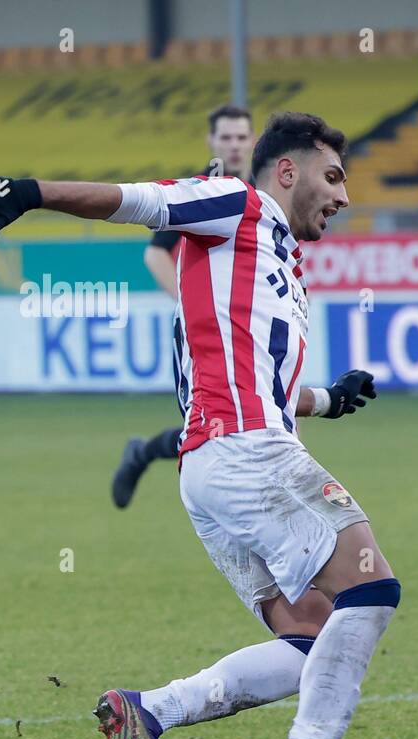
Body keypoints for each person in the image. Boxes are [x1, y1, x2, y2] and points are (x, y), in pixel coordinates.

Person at [0, 112, 400, 739]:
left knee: (312, 638)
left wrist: (328, 400)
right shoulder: (240, 206)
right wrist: (28, 190)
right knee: (373, 589)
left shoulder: (274, 262)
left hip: (211, 468)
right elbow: (142, 201)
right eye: (332, 177)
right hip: (248, 456)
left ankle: (148, 712)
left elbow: (263, 384)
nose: (342, 197)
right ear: (286, 171)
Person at [111, 104, 257, 507]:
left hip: (255, 325)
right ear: (211, 141)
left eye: (241, 137)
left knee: (265, 414)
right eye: (225, 137)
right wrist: (194, 306)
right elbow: (155, 254)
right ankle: (144, 453)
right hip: (206, 331)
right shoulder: (199, 190)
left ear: (253, 141)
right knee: (210, 424)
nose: (234, 145)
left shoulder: (264, 191)